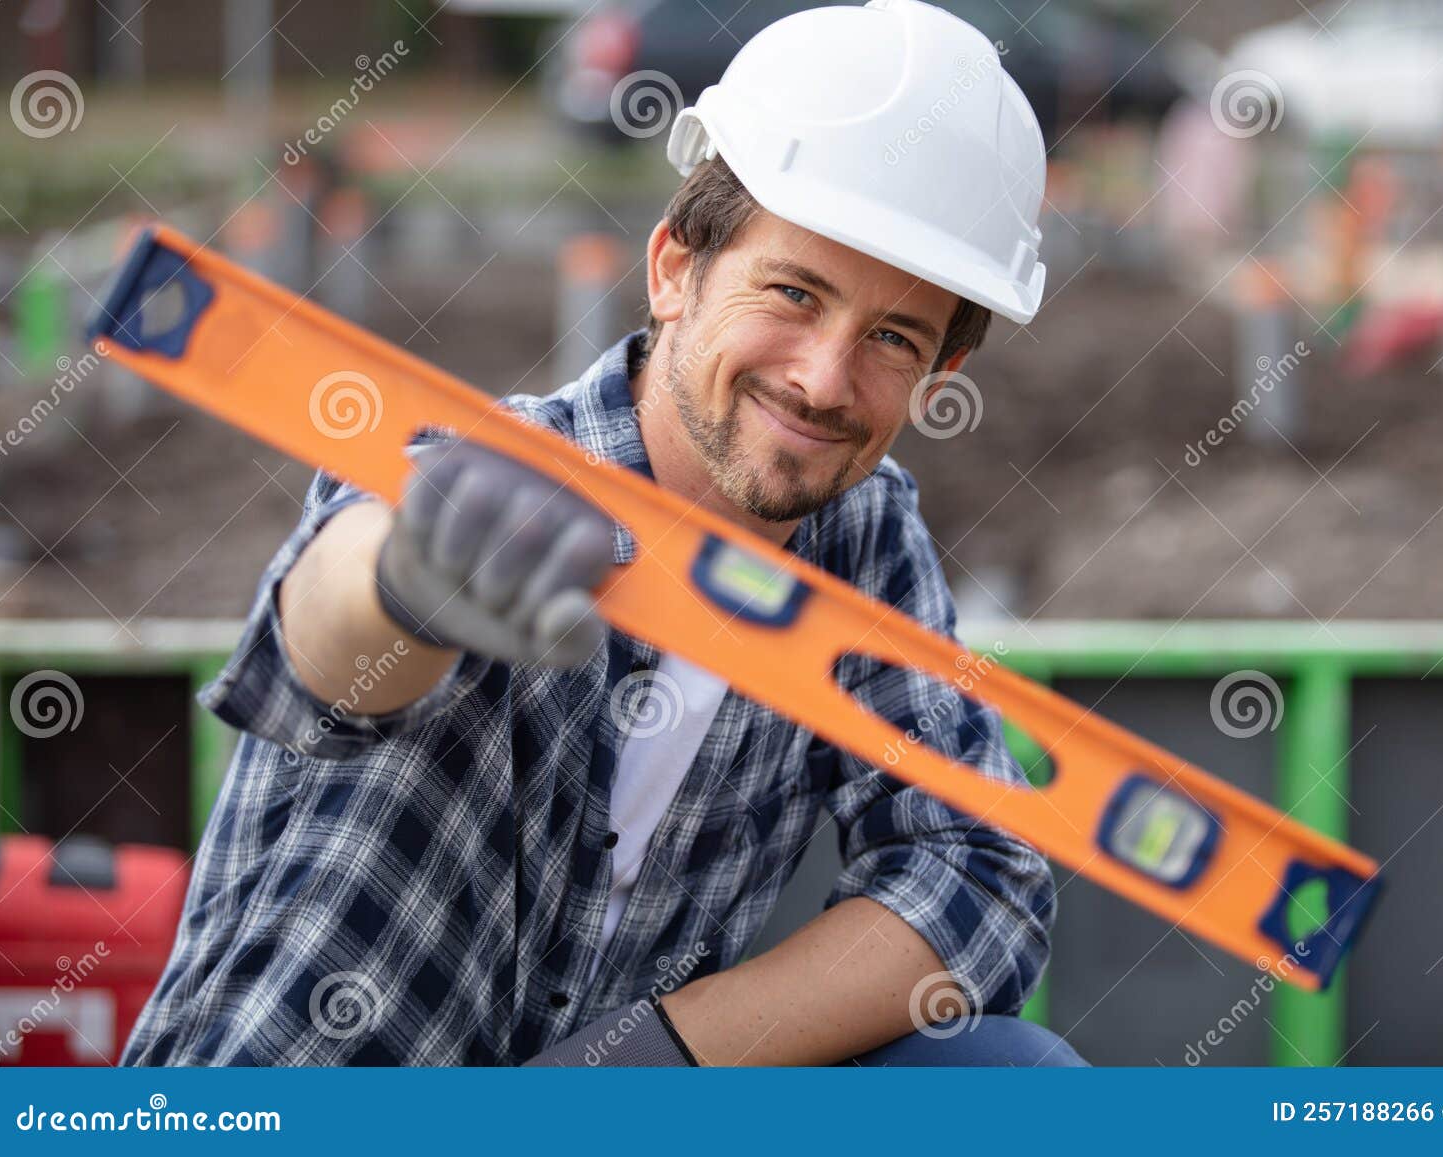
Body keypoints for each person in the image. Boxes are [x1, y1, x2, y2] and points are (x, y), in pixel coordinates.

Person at [121, 0, 1084, 1067]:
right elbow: (323, 657)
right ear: (676, 269)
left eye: (892, 337)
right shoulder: (479, 469)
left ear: (939, 373)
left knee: (1006, 1077)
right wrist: (404, 580)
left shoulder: (860, 537)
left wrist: (648, 1058)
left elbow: (980, 870)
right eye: (792, 292)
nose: (822, 378)